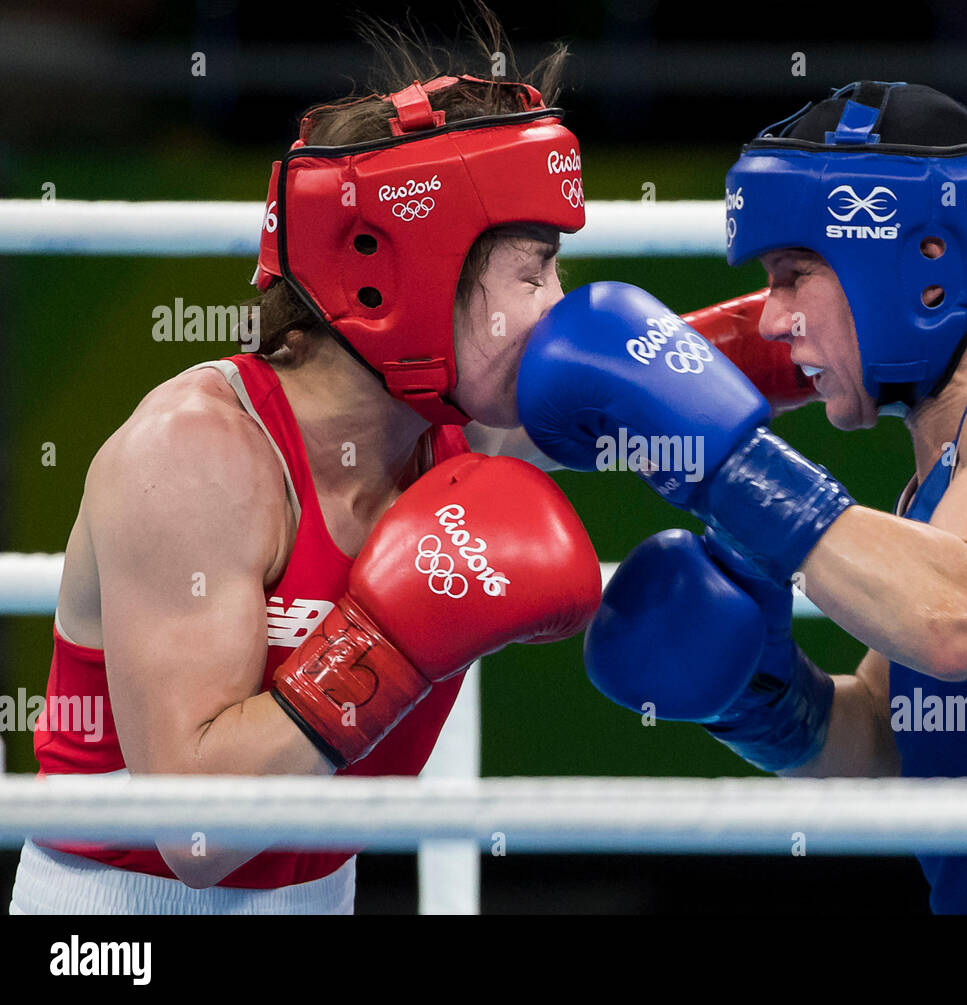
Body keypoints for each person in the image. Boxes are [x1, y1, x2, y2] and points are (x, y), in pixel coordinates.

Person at [516, 81, 967, 915]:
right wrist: (760, 695)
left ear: (924, 261)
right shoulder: (950, 469)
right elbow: (887, 741)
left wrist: (728, 466)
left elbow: (955, 618)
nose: (773, 320)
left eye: (794, 276)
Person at [9, 24, 605, 915]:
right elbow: (199, 837)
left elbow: (682, 387)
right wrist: (386, 643)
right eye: (534, 273)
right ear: (410, 276)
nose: (558, 308)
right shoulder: (195, 455)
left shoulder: (466, 432)